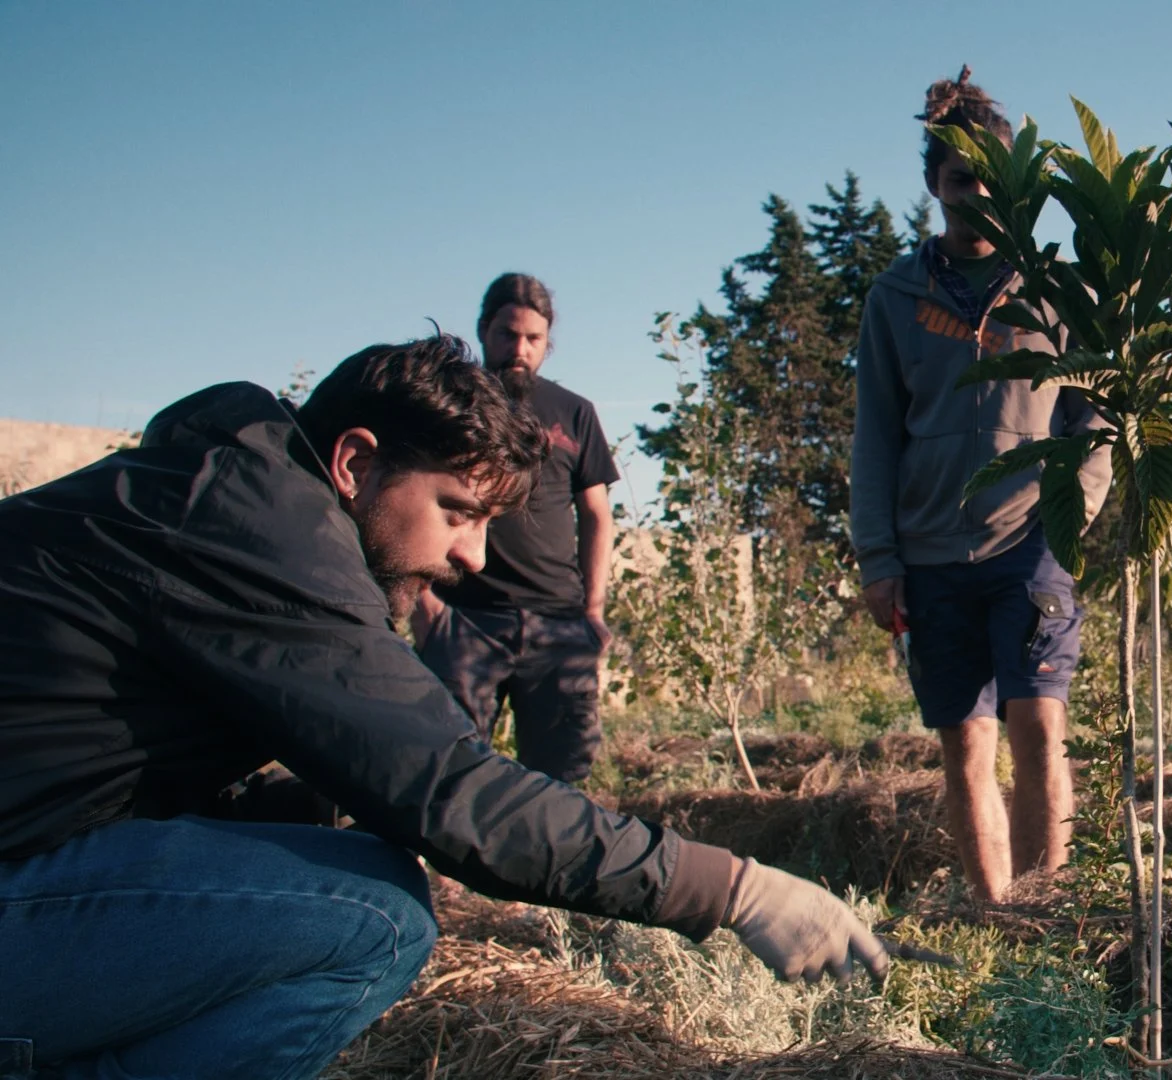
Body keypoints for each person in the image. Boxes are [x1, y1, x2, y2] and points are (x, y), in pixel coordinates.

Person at [0, 336, 886, 1079]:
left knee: (332, 851)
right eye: (458, 511)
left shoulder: (222, 494)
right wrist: (736, 889)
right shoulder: (268, 535)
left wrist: (310, 800)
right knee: (377, 917)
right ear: (353, 463)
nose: (473, 557)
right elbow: (460, 796)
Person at [850, 68, 1113, 905]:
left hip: (1032, 543)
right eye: (960, 178)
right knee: (964, 742)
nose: (976, 195)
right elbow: (875, 433)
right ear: (934, 185)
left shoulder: (1057, 292)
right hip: (929, 553)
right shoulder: (893, 299)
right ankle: (997, 916)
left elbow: (1095, 415)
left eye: (993, 179)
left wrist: (1078, 510)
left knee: (1038, 726)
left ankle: (1048, 913)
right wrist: (876, 557)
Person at [410, 273, 617, 784]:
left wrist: (592, 611)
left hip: (560, 622)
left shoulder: (574, 413)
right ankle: (434, 869)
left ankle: (543, 866)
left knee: (562, 779)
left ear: (548, 343)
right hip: (466, 618)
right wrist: (425, 604)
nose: (519, 349)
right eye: (508, 334)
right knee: (440, 770)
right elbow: (408, 497)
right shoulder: (449, 404)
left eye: (533, 339)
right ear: (484, 331)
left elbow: (596, 515)